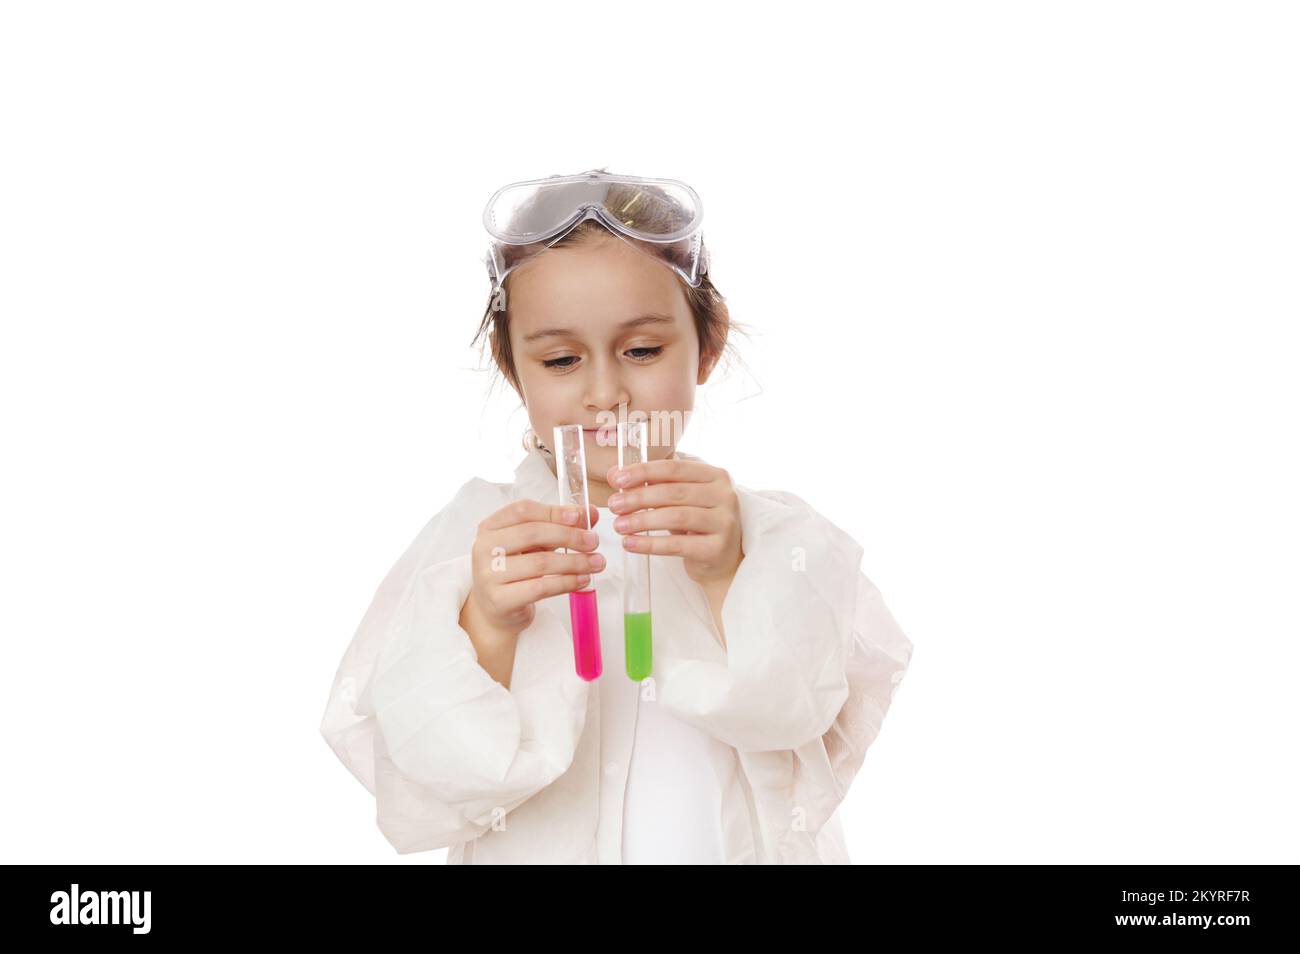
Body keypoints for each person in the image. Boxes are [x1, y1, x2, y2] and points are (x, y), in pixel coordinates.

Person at [319, 168, 914, 863]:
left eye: (641, 351)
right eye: (563, 359)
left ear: (708, 344)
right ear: (513, 369)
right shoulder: (477, 539)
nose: (606, 394)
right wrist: (486, 621)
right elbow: (431, 783)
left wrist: (731, 572)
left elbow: (800, 718)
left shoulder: (774, 535)